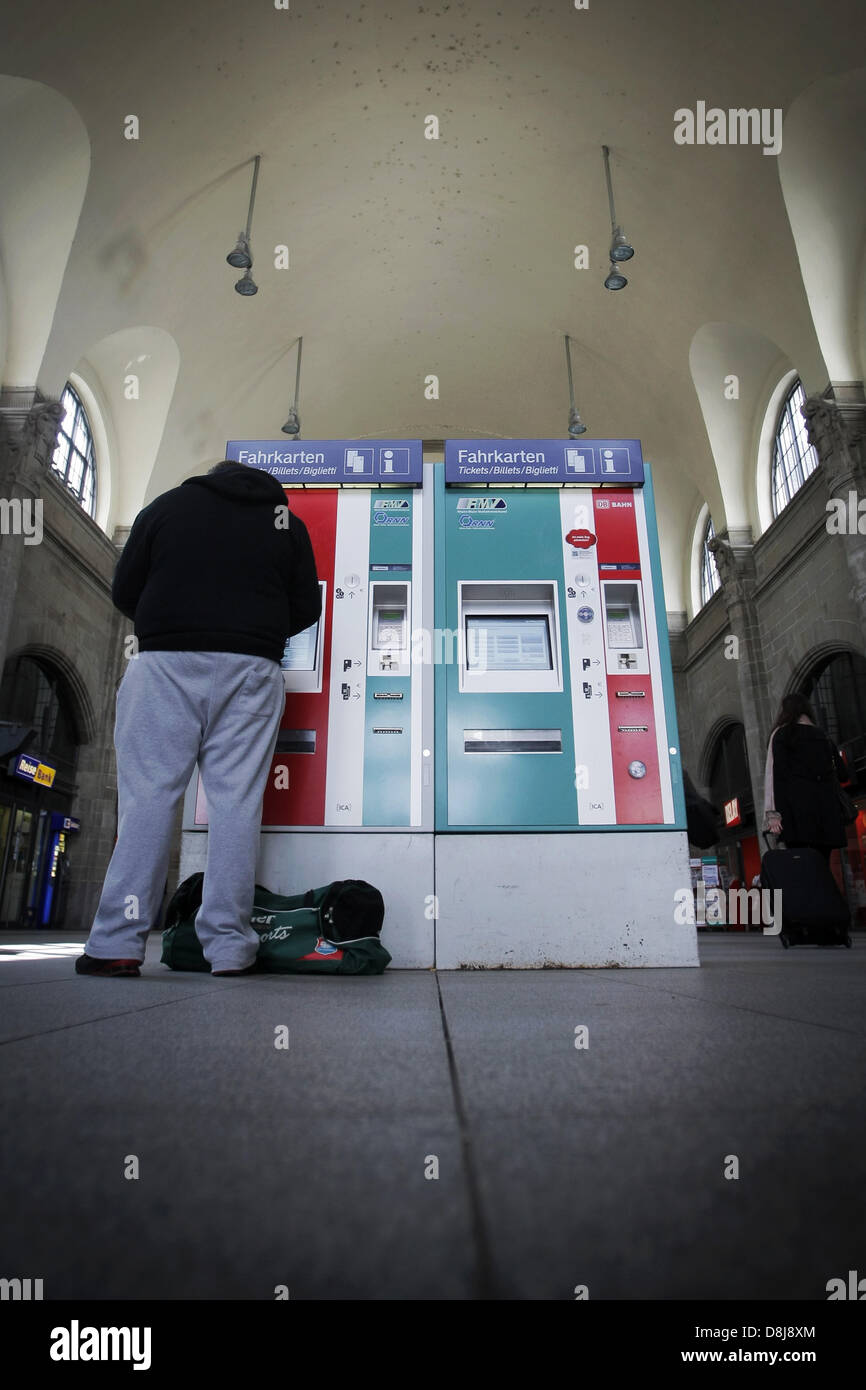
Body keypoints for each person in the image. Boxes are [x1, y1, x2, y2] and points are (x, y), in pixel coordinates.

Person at [76, 459, 321, 978]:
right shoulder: (285, 523)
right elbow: (306, 607)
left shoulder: (166, 507)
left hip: (165, 664)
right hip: (253, 670)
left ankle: (117, 944)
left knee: (148, 798)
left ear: (210, 476)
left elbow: (123, 590)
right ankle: (230, 948)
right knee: (236, 803)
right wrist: (253, 631)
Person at [763, 693, 847, 863]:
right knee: (823, 866)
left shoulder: (781, 735)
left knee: (802, 867)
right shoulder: (822, 735)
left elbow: (777, 778)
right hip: (827, 815)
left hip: (796, 816)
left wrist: (773, 814)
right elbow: (843, 774)